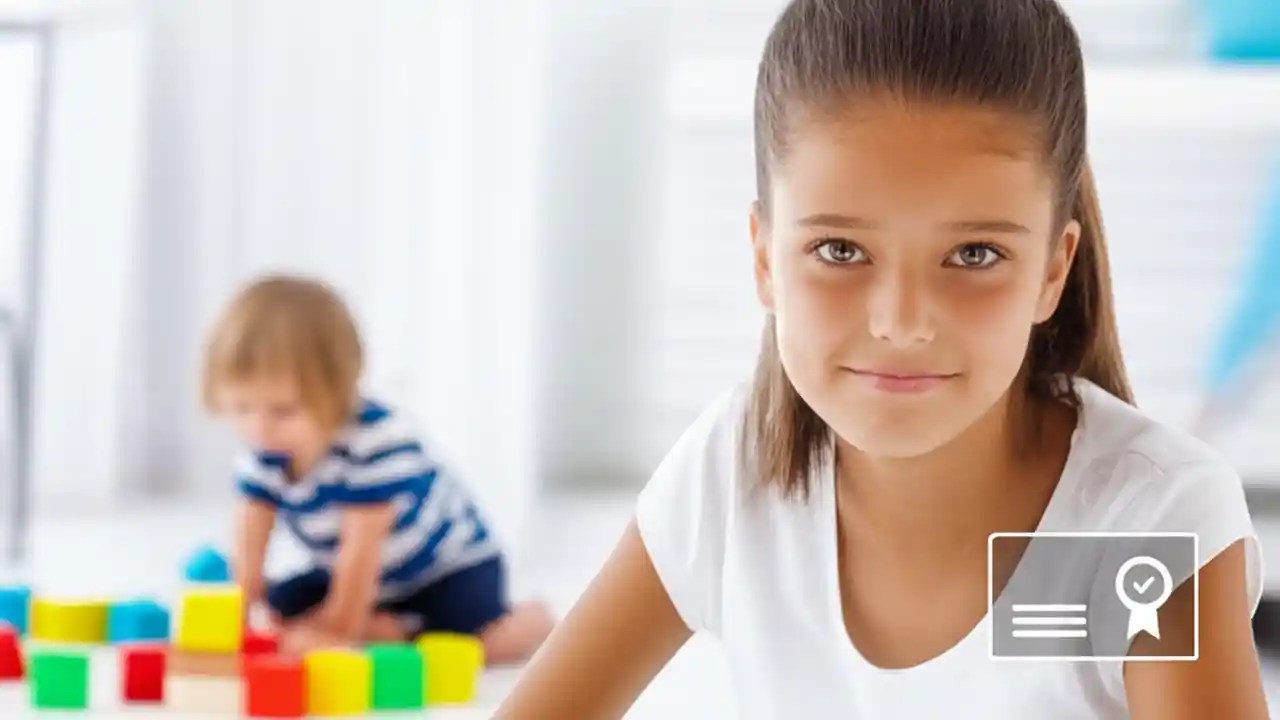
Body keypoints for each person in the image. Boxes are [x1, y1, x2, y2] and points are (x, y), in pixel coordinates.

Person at [497, 0, 1268, 717]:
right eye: (840, 249)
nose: (901, 323)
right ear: (764, 258)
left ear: (1052, 271)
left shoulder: (1147, 526)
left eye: (974, 253)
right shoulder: (731, 478)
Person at [202, 275, 554, 661]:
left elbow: (361, 551)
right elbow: (251, 536)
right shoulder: (264, 448)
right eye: (241, 408)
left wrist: (336, 631)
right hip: (363, 578)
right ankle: (381, 626)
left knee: (464, 646)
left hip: (448, 573)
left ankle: (532, 622)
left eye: (283, 411)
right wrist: (240, 611)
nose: (260, 428)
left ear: (338, 389)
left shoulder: (377, 442)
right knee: (283, 605)